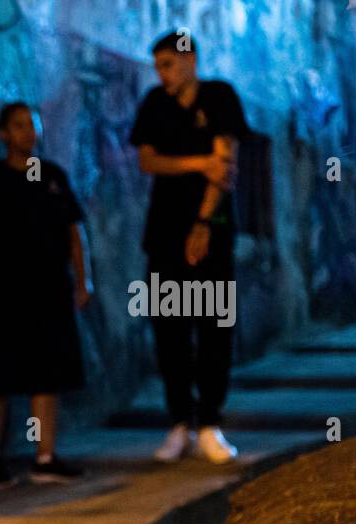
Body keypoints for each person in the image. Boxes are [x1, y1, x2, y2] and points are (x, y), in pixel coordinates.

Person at [0, 102, 92, 488]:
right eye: (19, 126)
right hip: (1, 295)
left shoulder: (51, 177)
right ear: (4, 133)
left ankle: (44, 456)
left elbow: (73, 233)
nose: (28, 133)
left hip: (49, 293)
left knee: (45, 377)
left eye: (33, 126)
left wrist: (84, 280)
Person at [131, 31, 249, 464]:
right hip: (163, 232)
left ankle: (210, 423)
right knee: (170, 328)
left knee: (214, 327)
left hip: (212, 229)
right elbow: (148, 160)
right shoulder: (155, 104)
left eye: (168, 64)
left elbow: (226, 164)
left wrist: (203, 222)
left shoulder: (219, 97)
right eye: (157, 66)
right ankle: (179, 421)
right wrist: (198, 162)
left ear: (190, 60)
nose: (162, 74)